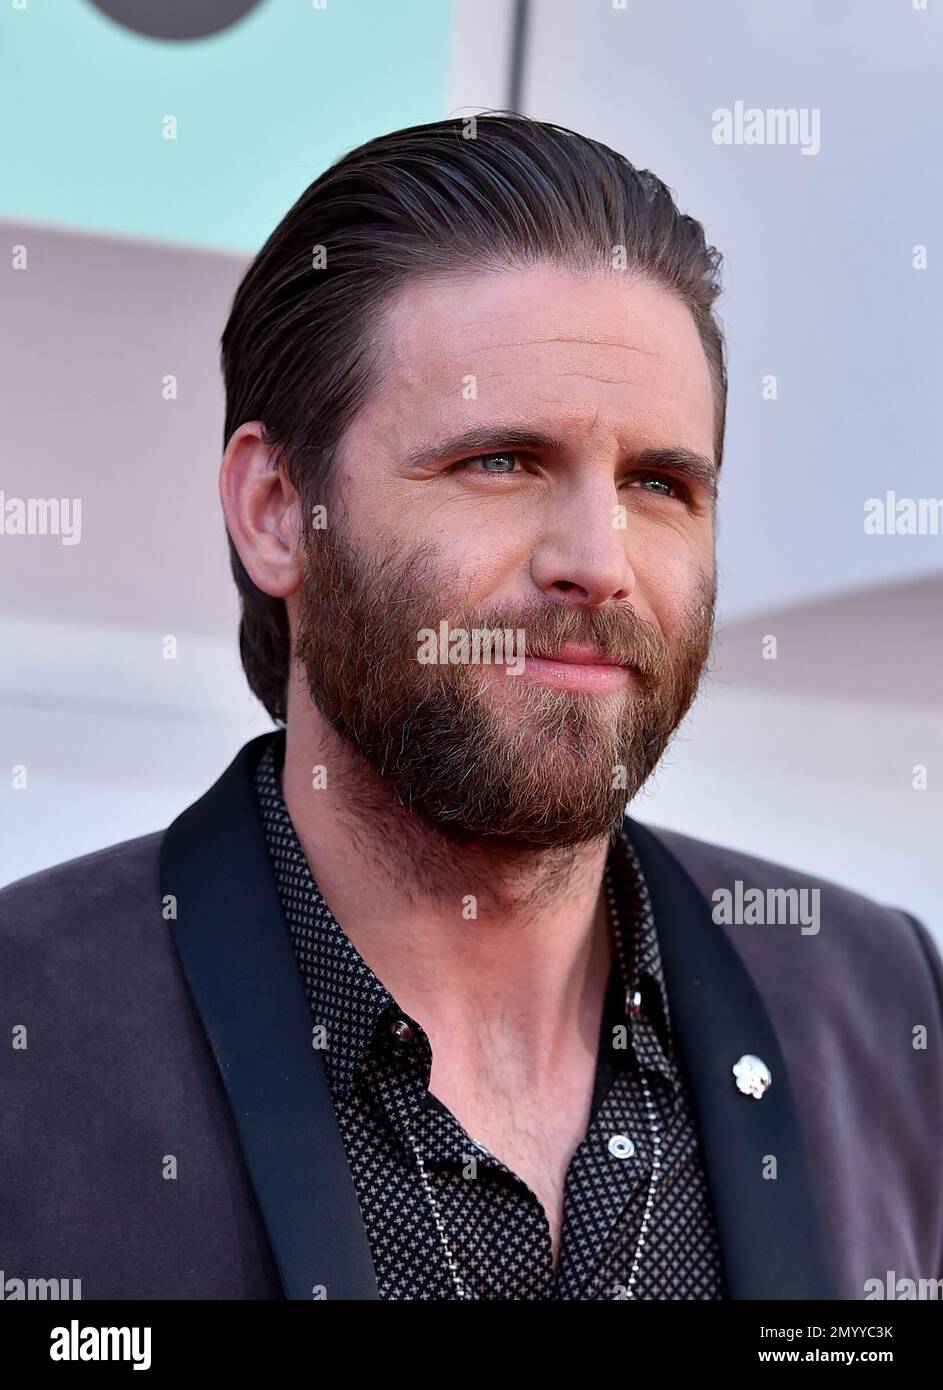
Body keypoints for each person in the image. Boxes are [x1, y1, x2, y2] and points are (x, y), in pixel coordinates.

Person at [2, 113, 940, 1302]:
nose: (596, 562)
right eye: (499, 462)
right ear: (278, 510)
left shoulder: (881, 1007)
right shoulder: (32, 1033)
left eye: (659, 483)